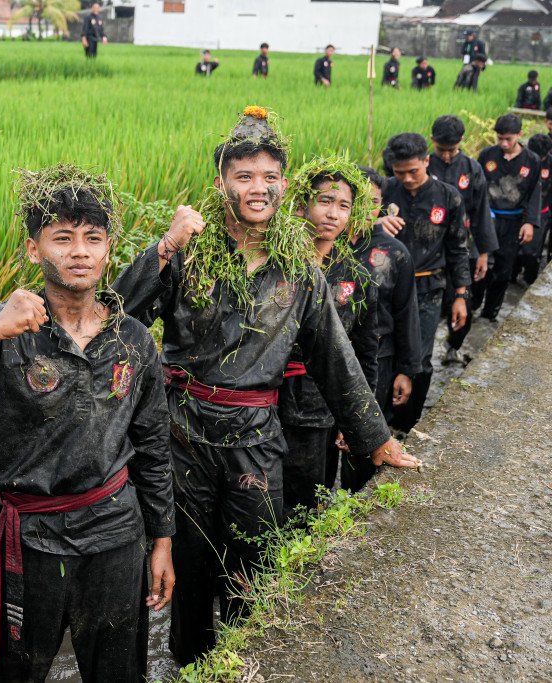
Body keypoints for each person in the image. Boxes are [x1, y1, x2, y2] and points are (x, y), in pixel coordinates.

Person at [112, 106, 420, 665]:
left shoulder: (301, 270)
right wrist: (165, 245)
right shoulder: (191, 254)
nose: (259, 188)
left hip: (257, 441)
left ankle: (244, 666)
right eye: (244, 175)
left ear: (285, 183)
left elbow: (335, 357)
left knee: (254, 569)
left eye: (271, 176)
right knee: (190, 570)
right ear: (220, 182)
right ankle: (191, 666)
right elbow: (113, 319)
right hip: (185, 440)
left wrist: (377, 438)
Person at [0, 166, 176, 682]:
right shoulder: (7, 326)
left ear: (109, 250)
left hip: (114, 534)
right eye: (63, 237)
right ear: (33, 250)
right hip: (29, 539)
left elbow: (153, 447)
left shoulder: (133, 340)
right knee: (16, 673)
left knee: (118, 672)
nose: (80, 251)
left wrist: (161, 542)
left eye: (93, 238)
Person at [278, 159, 378, 518]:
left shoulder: (357, 276)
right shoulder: (274, 261)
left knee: (305, 500)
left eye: (344, 205)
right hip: (264, 399)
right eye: (324, 201)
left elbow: (365, 354)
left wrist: (357, 423)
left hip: (319, 406)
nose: (333, 213)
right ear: (302, 204)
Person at [379, 133, 471, 432]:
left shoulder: (449, 197)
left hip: (428, 290)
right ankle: (380, 420)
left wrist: (460, 295)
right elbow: (350, 228)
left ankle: (408, 423)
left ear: (427, 161)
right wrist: (374, 221)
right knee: (383, 353)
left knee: (419, 358)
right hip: (385, 289)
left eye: (413, 171)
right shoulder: (383, 193)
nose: (406, 178)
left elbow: (458, 249)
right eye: (399, 172)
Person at [349, 167, 421, 489]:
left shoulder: (394, 252)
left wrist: (406, 370)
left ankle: (354, 507)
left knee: (366, 442)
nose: (365, 209)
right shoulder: (319, 246)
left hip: (379, 358)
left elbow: (407, 315)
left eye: (373, 202)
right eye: (356, 200)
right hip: (325, 360)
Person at [427, 115, 498, 366]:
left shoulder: (471, 168)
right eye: (441, 150)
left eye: (452, 150)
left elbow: (480, 212)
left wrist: (483, 253)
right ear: (432, 140)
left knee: (463, 303)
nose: (446, 156)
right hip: (428, 250)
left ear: (461, 142)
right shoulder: (423, 167)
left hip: (461, 249)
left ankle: (453, 346)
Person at [475, 114, 540, 321]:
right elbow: (476, 188)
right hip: (487, 219)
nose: (503, 143)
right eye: (500, 138)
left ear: (519, 135)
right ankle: (472, 305)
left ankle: (490, 313)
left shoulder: (531, 160)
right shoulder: (487, 155)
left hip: (512, 222)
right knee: (480, 264)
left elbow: (534, 193)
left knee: (503, 268)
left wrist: (529, 222)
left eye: (508, 139)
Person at [516, 133, 552, 284]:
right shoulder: (521, 161)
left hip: (541, 213)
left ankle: (530, 279)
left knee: (532, 252)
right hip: (518, 213)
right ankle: (512, 276)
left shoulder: (550, 164)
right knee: (514, 251)